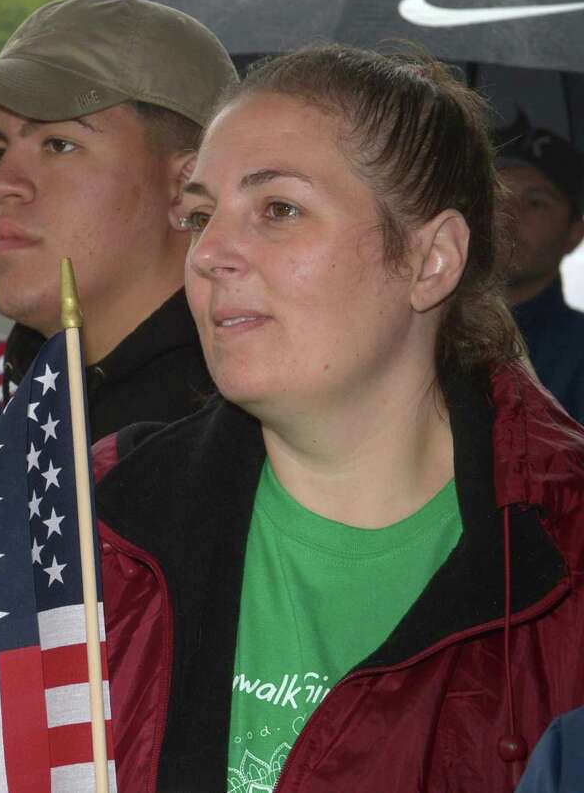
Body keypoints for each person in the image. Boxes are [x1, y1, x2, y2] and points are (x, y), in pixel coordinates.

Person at [92, 45, 584, 792]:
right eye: (199, 216)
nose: (210, 253)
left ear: (431, 261)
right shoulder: (92, 520)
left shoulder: (566, 552)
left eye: (279, 209)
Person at [0, 0, 237, 437]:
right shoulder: (12, 399)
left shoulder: (235, 438)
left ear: (187, 187)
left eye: (58, 145)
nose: (1, 184)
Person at [496, 118, 584, 422]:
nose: (508, 215)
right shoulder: (424, 327)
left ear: (575, 232)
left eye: (535, 202)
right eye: (496, 196)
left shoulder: (576, 355)